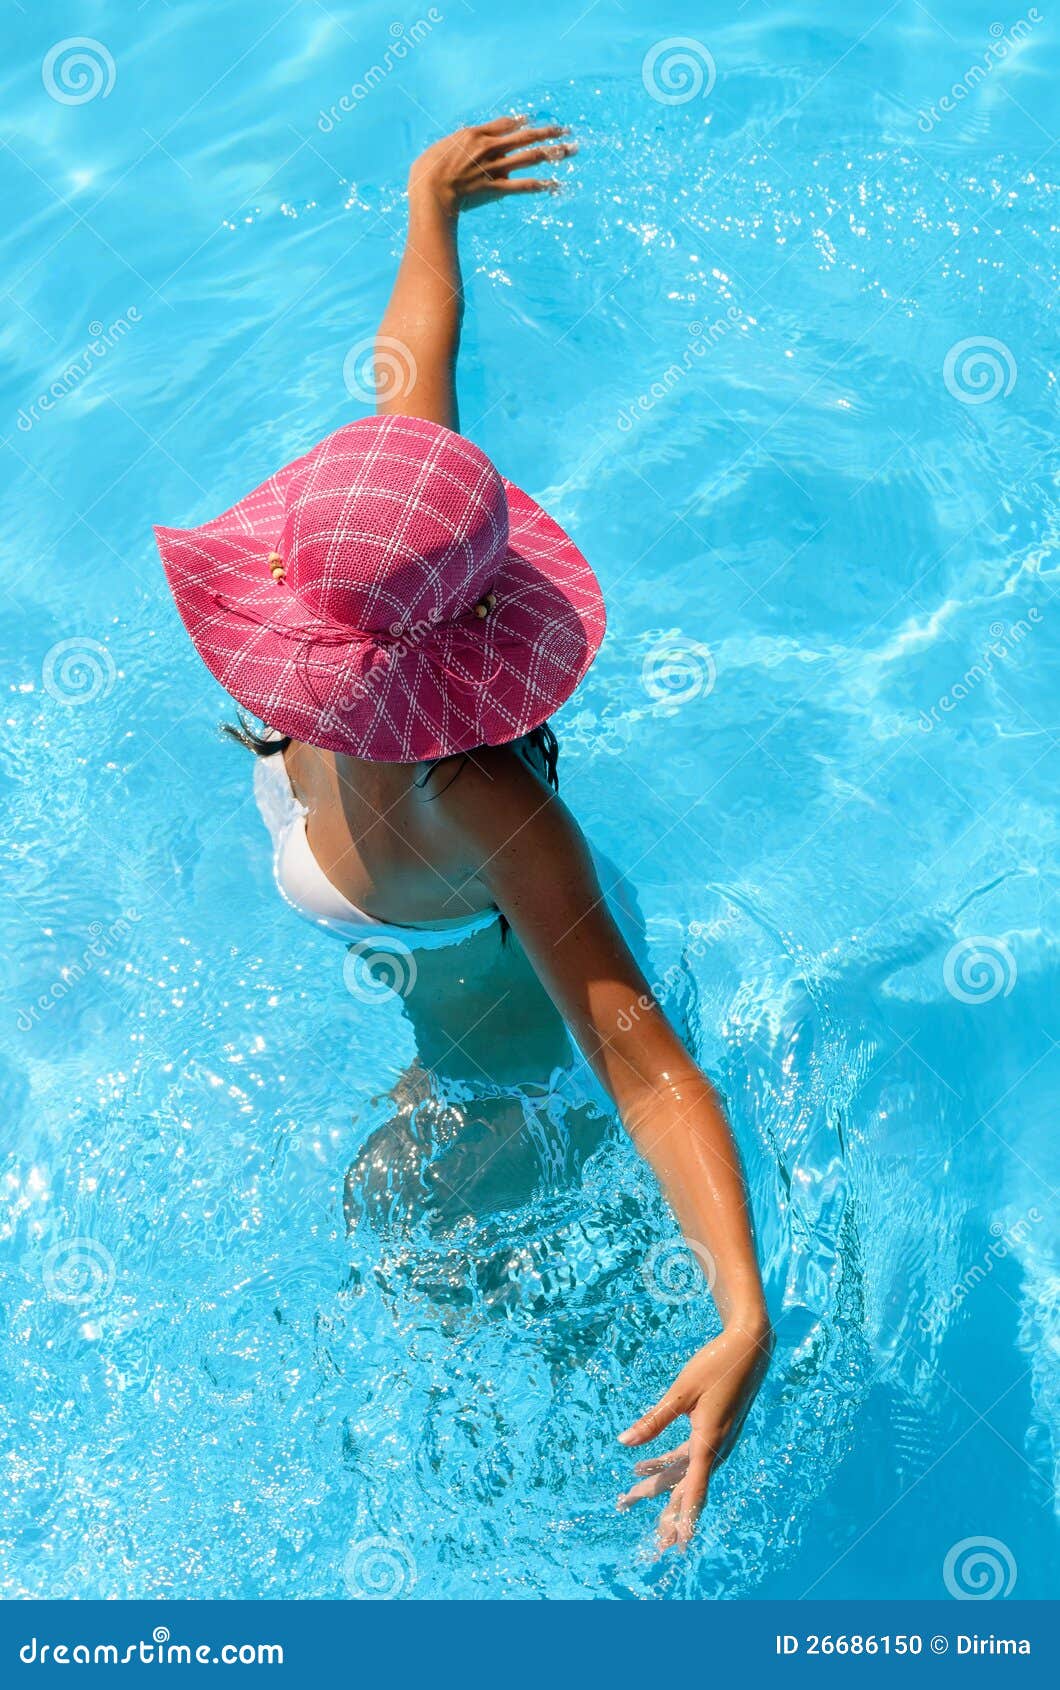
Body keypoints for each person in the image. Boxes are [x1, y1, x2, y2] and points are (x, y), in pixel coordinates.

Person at [154, 115, 773, 1553]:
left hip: (494, 1041)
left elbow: (640, 1047)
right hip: (429, 947)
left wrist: (740, 1296)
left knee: (412, 1237)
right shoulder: (399, 535)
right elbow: (411, 369)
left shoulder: (490, 811)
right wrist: (431, 201)